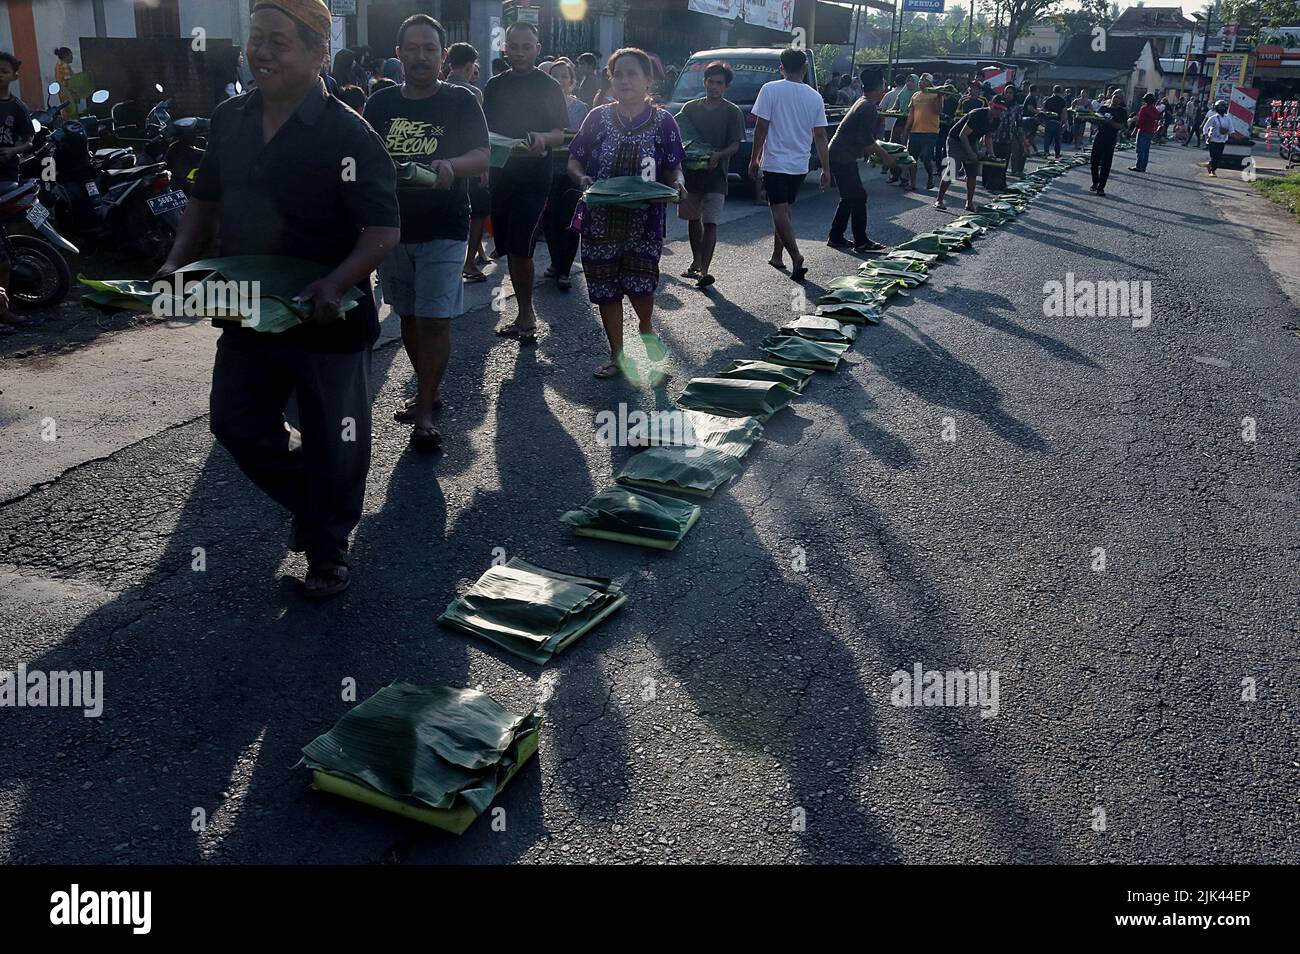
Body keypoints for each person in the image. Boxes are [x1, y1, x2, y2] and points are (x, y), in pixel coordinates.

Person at [158, 0, 400, 598]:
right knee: (235, 421)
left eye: (278, 42)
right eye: (256, 39)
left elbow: (383, 230)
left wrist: (338, 282)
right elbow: (204, 198)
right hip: (247, 306)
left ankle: (328, 549)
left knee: (336, 435)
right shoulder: (230, 119)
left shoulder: (350, 134)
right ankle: (317, 504)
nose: (260, 52)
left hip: (327, 313)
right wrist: (176, 260)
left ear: (319, 53)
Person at [364, 15, 489, 450]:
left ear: (442, 55)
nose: (421, 56)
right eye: (412, 49)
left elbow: (483, 155)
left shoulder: (460, 101)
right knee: (410, 319)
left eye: (430, 49)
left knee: (435, 320)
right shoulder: (379, 104)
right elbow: (362, 158)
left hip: (445, 226)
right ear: (398, 55)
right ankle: (427, 390)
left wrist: (452, 167)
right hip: (392, 229)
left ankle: (424, 415)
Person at [566, 48, 685, 380]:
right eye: (618, 74)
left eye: (632, 74)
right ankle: (618, 356)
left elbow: (675, 168)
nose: (624, 80)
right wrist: (582, 178)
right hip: (599, 220)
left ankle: (647, 330)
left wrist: (678, 185)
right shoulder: (597, 118)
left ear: (648, 80)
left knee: (641, 286)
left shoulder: (664, 122)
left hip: (644, 221)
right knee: (606, 288)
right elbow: (574, 159)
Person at [482, 21, 568, 342]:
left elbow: (561, 133)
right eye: (513, 46)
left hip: (534, 180)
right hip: (500, 177)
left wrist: (541, 139)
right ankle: (522, 314)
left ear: (537, 49)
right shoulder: (494, 85)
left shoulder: (548, 86)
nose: (519, 53)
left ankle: (527, 315)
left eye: (526, 47)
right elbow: (483, 132)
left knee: (522, 247)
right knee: (508, 247)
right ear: (505, 48)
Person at [748, 48, 830, 282]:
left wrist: (754, 159)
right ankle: (777, 255)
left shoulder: (770, 89)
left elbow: (761, 128)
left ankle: (796, 256)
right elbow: (821, 135)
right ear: (805, 68)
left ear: (781, 69)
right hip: (800, 165)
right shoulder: (814, 96)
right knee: (785, 209)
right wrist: (826, 169)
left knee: (778, 211)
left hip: (775, 162)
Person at [677, 60, 742, 288]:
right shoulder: (689, 109)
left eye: (719, 83)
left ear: (726, 86)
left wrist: (718, 155)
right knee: (693, 220)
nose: (714, 86)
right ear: (704, 82)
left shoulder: (732, 112)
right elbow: (680, 138)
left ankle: (705, 271)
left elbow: (735, 145)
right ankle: (696, 262)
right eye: (711, 82)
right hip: (691, 176)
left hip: (717, 176)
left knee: (711, 223)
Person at [826, 67, 893, 253]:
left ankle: (836, 237)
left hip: (839, 153)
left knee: (849, 197)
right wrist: (885, 156)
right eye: (883, 86)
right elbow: (865, 140)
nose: (884, 90)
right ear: (879, 86)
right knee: (858, 196)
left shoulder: (863, 102)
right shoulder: (868, 106)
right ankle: (861, 241)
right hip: (842, 155)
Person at [444, 42, 491, 283]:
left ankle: (475, 255)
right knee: (477, 212)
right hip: (467, 161)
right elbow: (478, 134)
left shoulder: (439, 88)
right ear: (471, 65)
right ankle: (469, 262)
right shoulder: (473, 93)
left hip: (443, 160)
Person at [541, 58, 588, 291]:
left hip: (571, 171)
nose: (559, 81)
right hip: (546, 170)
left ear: (572, 81)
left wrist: (559, 135)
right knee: (548, 220)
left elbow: (583, 139)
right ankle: (555, 262)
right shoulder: (541, 106)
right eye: (554, 76)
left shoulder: (581, 109)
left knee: (568, 222)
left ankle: (565, 270)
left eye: (564, 76)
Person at [0, 52, 35, 333]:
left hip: (8, 178)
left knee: (3, 256)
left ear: (14, 76)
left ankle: (4, 309)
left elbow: (29, 140)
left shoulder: (18, 107)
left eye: (3, 70)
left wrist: (12, 150)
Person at [936, 102, 996, 212]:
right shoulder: (977, 115)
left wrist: (991, 154)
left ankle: (969, 202)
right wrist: (970, 153)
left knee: (972, 173)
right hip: (956, 140)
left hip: (972, 141)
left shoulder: (996, 119)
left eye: (1001, 110)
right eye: (996, 108)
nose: (998, 112)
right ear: (991, 105)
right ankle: (939, 200)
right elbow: (962, 135)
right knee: (952, 169)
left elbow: (988, 137)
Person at [902, 72, 941, 192]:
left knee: (926, 158)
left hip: (931, 131)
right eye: (920, 81)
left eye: (924, 81)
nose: (920, 82)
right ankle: (912, 183)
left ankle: (930, 177)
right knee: (912, 158)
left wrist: (939, 97)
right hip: (915, 131)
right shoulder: (915, 96)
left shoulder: (936, 94)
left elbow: (938, 111)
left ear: (929, 82)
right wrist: (906, 130)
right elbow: (911, 114)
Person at [1088, 89, 1127, 196]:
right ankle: (1095, 182)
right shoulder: (1103, 108)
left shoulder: (1122, 111)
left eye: (1119, 97)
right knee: (1094, 162)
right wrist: (1089, 118)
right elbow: (1096, 119)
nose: (1116, 99)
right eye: (1115, 96)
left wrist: (1109, 121)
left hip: (1110, 139)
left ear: (1121, 100)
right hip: (1099, 137)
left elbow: (1121, 127)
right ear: (1111, 96)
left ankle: (1101, 187)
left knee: (1106, 164)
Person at [878, 73, 907, 183]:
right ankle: (899, 175)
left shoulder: (889, 94)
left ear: (895, 82)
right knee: (901, 152)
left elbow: (881, 109)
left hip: (889, 127)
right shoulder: (907, 94)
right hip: (904, 128)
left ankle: (891, 171)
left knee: (890, 151)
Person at [1130, 92, 1159, 172]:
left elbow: (1140, 121)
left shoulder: (1144, 108)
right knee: (1146, 150)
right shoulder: (1154, 109)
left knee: (1140, 149)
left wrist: (1135, 130)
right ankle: (1143, 167)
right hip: (1150, 131)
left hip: (1142, 130)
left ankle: (1139, 166)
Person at [1203, 99, 1232, 176]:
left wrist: (1229, 135)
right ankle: (1211, 167)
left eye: (1223, 107)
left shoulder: (1228, 118)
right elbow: (1205, 127)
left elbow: (1231, 129)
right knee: (1213, 155)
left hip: (1222, 140)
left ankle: (1212, 170)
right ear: (1216, 108)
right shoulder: (1213, 118)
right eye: (1220, 107)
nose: (1221, 108)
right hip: (1212, 140)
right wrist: (1206, 136)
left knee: (1218, 157)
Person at [1041, 85, 1067, 158]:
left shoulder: (1048, 100)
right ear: (1060, 91)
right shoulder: (1062, 101)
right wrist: (1064, 122)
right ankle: (1057, 154)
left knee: (1047, 137)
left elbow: (1044, 110)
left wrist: (1043, 121)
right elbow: (1064, 112)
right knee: (1057, 139)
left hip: (1049, 121)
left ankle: (1046, 152)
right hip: (1057, 122)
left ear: (1053, 91)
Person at [1021, 84, 1040, 155]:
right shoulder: (1031, 97)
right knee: (1028, 135)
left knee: (1030, 136)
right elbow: (1030, 108)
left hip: (1028, 118)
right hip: (1029, 119)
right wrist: (1039, 112)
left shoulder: (1029, 97)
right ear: (1035, 90)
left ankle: (1033, 150)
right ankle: (1027, 150)